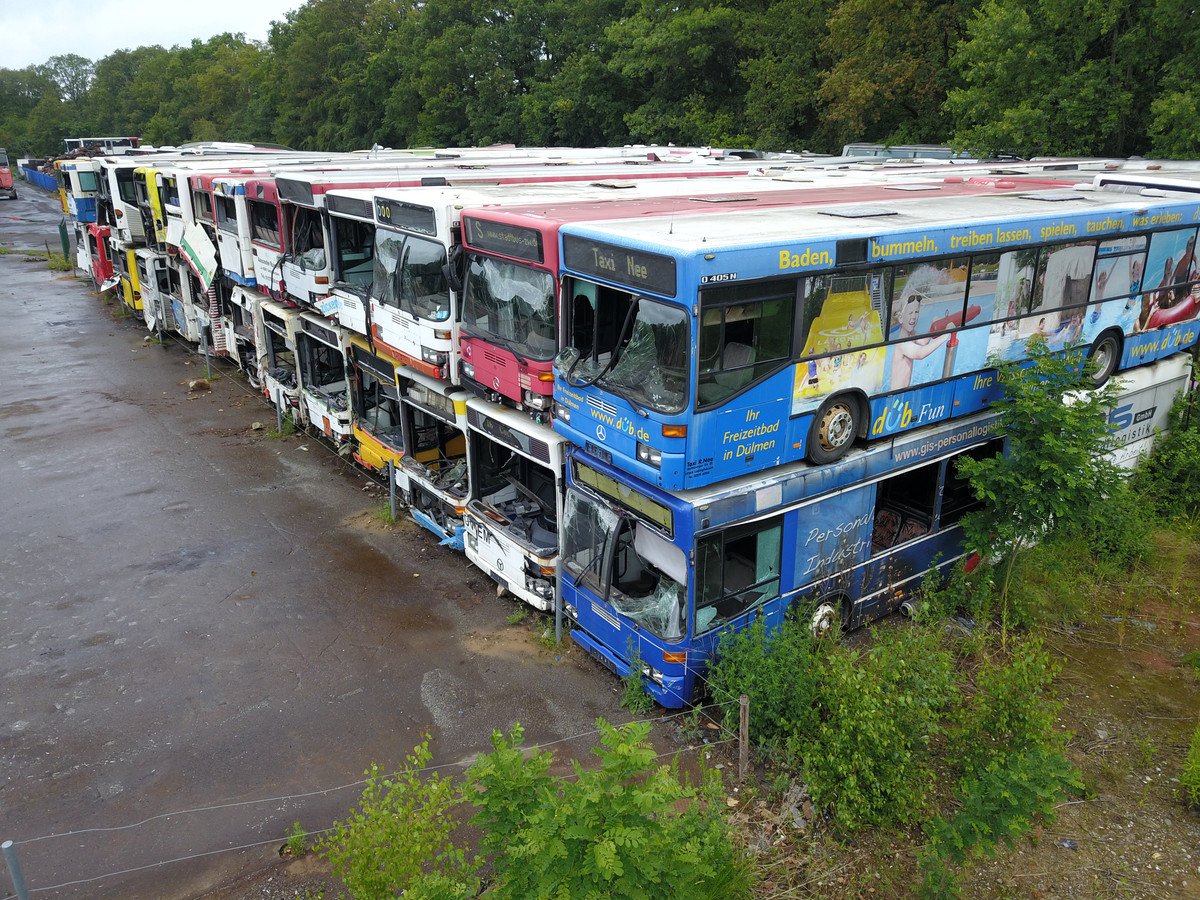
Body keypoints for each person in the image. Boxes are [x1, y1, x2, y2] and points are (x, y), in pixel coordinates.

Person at [889, 291, 950, 391]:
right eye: (910, 313)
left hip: (903, 391)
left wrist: (932, 327)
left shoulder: (912, 333)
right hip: (896, 395)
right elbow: (920, 354)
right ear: (900, 318)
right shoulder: (902, 343)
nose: (914, 317)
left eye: (916, 312)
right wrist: (944, 336)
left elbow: (924, 342)